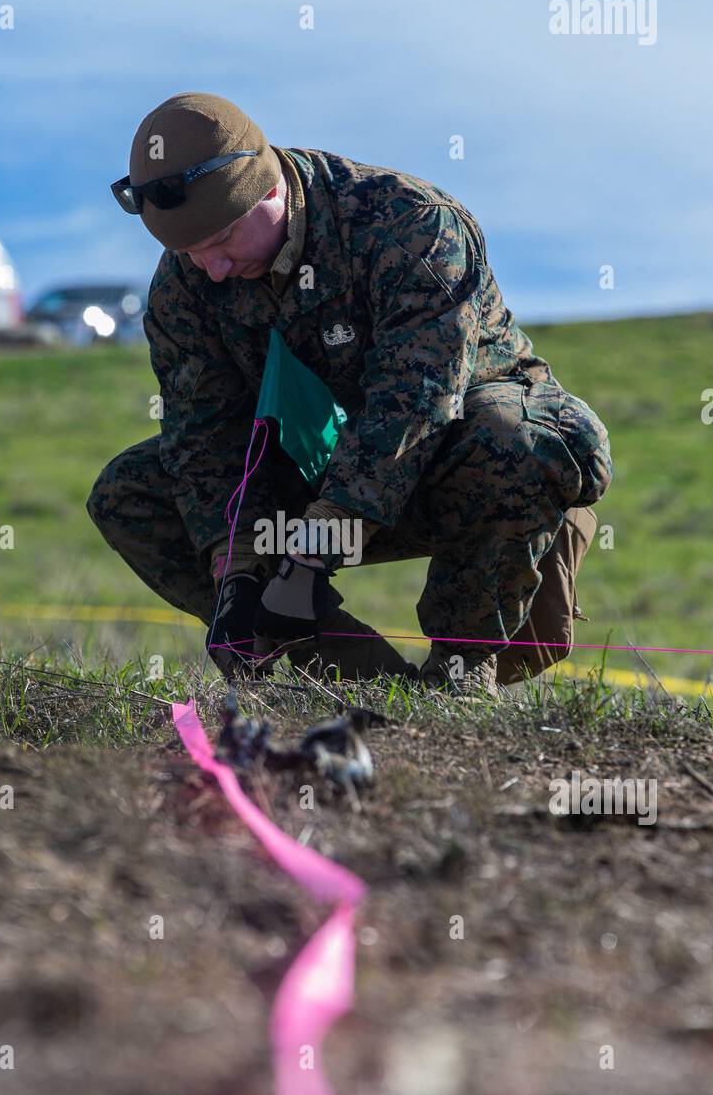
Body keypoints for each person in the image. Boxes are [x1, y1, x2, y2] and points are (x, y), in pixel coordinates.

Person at [88, 92, 612, 698]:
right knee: (128, 492)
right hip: (319, 466)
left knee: (523, 440)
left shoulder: (407, 223)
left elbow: (415, 403)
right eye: (189, 253)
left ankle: (463, 679)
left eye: (224, 239)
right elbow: (204, 436)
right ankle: (357, 681)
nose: (214, 270)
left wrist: (313, 553)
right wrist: (237, 572)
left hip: (453, 458)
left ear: (269, 190)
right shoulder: (188, 283)